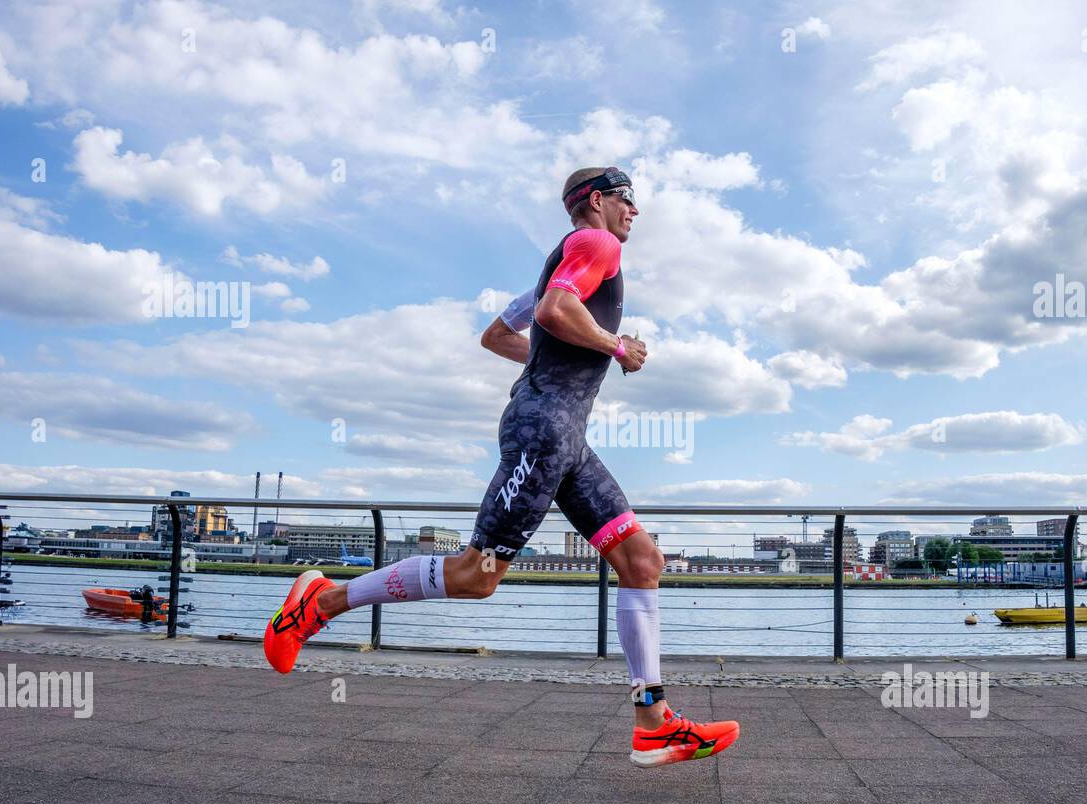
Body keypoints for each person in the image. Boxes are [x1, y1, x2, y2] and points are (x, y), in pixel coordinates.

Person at [264, 166, 739, 766]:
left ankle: (653, 720)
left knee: (642, 560)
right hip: (542, 434)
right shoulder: (598, 244)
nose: (634, 211)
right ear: (597, 201)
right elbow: (555, 312)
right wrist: (618, 346)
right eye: (627, 199)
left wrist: (557, 350)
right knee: (476, 575)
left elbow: (499, 334)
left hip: (568, 441)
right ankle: (322, 601)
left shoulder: (562, 260)